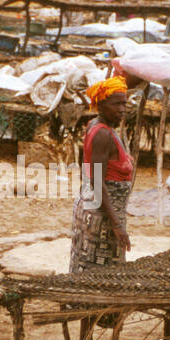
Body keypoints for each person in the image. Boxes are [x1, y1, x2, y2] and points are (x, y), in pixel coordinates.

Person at [69, 75, 134, 275]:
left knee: (90, 267)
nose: (122, 109)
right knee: (100, 273)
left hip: (98, 210)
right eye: (116, 104)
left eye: (124, 104)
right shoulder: (103, 134)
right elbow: (97, 181)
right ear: (101, 105)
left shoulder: (98, 127)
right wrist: (116, 225)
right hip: (101, 216)